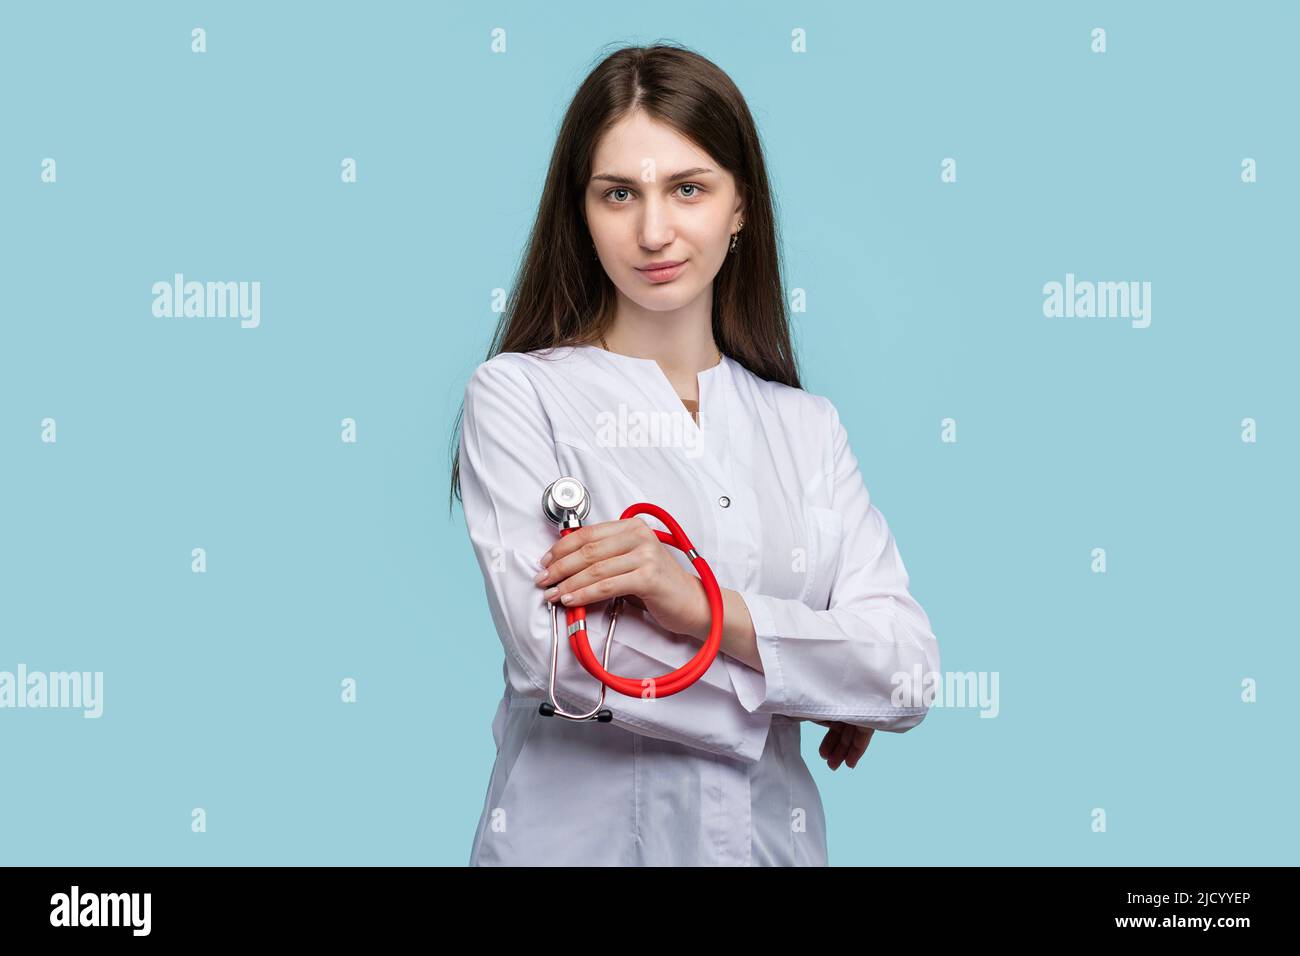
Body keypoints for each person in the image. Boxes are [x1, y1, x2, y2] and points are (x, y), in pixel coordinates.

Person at [448, 43, 940, 866]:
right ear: (581, 211)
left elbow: (907, 674)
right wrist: (803, 676)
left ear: (740, 205)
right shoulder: (517, 396)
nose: (653, 230)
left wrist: (704, 609)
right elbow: (557, 666)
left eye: (688, 188)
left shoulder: (806, 427)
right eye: (618, 194)